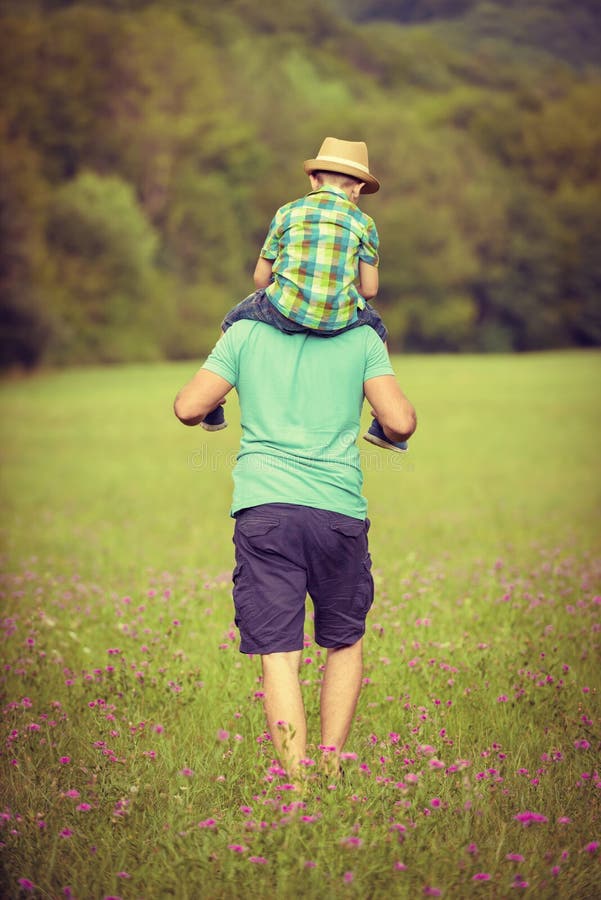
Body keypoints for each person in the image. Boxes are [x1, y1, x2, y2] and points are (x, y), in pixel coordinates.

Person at [174, 318, 416, 783]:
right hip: (337, 513)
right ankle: (329, 767)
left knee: (280, 654)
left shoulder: (242, 333)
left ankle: (298, 789)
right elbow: (400, 423)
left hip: (265, 511)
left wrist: (217, 401)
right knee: (344, 642)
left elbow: (188, 407)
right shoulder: (363, 338)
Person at [201, 136, 406, 453]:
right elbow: (371, 289)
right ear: (358, 189)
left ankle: (213, 403)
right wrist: (338, 293)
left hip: (283, 309)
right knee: (377, 330)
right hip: (338, 317)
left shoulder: (286, 212)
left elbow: (260, 278)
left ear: (313, 179)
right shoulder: (365, 223)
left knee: (232, 320)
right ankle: (381, 421)